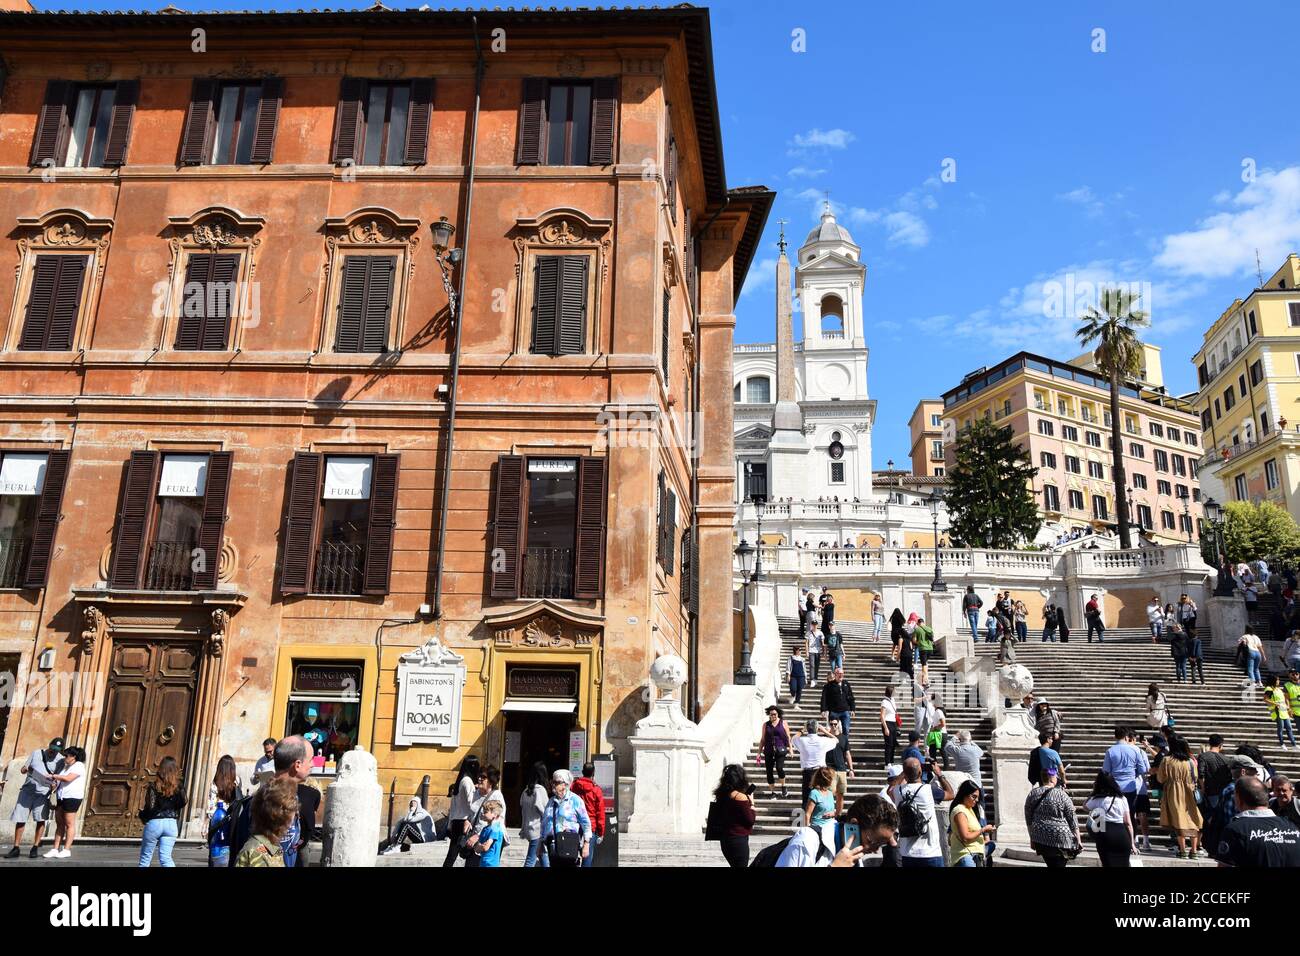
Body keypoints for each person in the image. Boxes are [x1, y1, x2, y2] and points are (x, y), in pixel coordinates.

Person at [228, 735, 319, 869]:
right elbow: (244, 851)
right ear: (297, 765)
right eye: (311, 759)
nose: (313, 764)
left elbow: (294, 846)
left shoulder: (296, 797)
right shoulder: (263, 801)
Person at [772, 794, 899, 868]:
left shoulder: (854, 857)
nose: (876, 850)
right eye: (873, 842)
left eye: (881, 844)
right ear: (854, 825)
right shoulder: (806, 843)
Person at [1214, 775, 1300, 867]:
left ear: (1238, 798)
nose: (1281, 793)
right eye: (1278, 790)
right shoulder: (1293, 828)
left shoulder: (1235, 830)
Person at [889, 756, 953, 867]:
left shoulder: (898, 791)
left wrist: (905, 772)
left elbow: (890, 788)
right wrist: (939, 774)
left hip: (908, 854)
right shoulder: (929, 790)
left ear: (904, 772)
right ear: (920, 771)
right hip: (930, 853)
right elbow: (950, 794)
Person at [5, 737, 63, 859]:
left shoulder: (60, 760)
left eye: (56, 750)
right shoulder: (36, 753)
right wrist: (25, 769)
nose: (53, 752)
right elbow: (23, 769)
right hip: (27, 790)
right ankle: (16, 847)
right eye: (52, 749)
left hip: (43, 794)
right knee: (20, 819)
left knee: (40, 820)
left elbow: (57, 779)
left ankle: (35, 847)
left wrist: (53, 784)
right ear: (49, 745)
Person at [234, 776, 299, 867]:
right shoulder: (256, 854)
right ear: (281, 818)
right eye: (294, 814)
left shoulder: (271, 847)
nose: (294, 819)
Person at [1025, 766, 1081, 867]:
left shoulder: (1033, 794)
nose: (1057, 778)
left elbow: (1028, 819)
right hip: (1060, 839)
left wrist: (1032, 838)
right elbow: (1072, 818)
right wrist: (1078, 839)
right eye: (1056, 776)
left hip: (1040, 836)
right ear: (1051, 778)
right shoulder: (1062, 795)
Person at [1157, 735, 1203, 858]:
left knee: (1179, 820)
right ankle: (1193, 851)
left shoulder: (1167, 760)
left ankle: (1182, 850)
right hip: (1190, 792)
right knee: (1193, 819)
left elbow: (1160, 779)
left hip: (1173, 793)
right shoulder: (1190, 761)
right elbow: (1196, 778)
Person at [137, 755, 186, 867]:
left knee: (145, 860)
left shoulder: (154, 786)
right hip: (171, 824)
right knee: (166, 859)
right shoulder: (178, 786)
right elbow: (184, 801)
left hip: (155, 822)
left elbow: (151, 807)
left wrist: (143, 816)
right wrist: (174, 807)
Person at [1101, 725, 1149, 838]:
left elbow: (1106, 771)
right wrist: (1133, 775)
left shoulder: (1110, 751)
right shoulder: (1135, 750)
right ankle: (1131, 839)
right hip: (1131, 786)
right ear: (1127, 737)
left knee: (1114, 812)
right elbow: (1142, 770)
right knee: (1131, 813)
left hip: (1115, 787)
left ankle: (1116, 837)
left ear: (1115, 736)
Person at [539, 769, 592, 868]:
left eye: (557, 782)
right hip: (553, 846)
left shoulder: (575, 800)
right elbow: (544, 822)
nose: (553, 785)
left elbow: (586, 823)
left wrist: (586, 844)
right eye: (552, 782)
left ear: (566, 784)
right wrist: (541, 842)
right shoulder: (551, 801)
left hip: (569, 844)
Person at [708, 763, 755, 868]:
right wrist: (751, 803)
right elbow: (750, 819)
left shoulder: (722, 794)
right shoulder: (740, 797)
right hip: (738, 840)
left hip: (725, 840)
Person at [1085, 771, 1134, 867]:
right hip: (1122, 835)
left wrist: (1093, 792)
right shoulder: (1122, 799)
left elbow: (1085, 807)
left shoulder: (1096, 799)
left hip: (1105, 835)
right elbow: (1128, 823)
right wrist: (1132, 843)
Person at [443, 753, 482, 868]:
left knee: (452, 855)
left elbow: (454, 806)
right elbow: (472, 803)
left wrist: (450, 823)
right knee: (468, 854)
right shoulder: (467, 782)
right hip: (464, 822)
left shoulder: (460, 781)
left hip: (457, 821)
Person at [205, 754, 242, 867]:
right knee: (229, 848)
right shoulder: (237, 780)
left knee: (215, 848)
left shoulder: (215, 781)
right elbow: (239, 800)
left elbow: (211, 805)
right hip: (232, 819)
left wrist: (207, 823)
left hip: (217, 819)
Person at [793, 719, 840, 807]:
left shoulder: (802, 740)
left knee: (807, 797)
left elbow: (793, 739)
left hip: (807, 772)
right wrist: (824, 731)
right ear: (817, 729)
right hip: (820, 772)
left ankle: (807, 816)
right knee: (821, 794)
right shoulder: (823, 740)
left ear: (807, 729)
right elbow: (836, 739)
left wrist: (802, 730)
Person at [949, 780, 994, 867]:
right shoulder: (959, 811)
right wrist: (983, 830)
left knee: (992, 845)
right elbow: (965, 837)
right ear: (964, 794)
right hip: (966, 856)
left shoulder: (969, 809)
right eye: (974, 797)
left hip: (974, 855)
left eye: (977, 797)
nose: (976, 800)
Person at [571, 762, 606, 867]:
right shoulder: (596, 790)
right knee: (587, 856)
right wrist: (601, 832)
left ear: (582, 772)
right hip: (591, 825)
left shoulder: (574, 786)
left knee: (572, 854)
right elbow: (600, 812)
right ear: (593, 773)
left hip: (575, 824)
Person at [518, 761, 550, 867]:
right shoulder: (540, 791)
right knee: (530, 860)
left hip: (528, 828)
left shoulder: (526, 790)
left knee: (543, 854)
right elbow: (546, 812)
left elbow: (522, 807)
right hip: (537, 830)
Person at [824, 718, 854, 815]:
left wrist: (851, 769)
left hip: (841, 769)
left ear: (838, 725)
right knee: (830, 794)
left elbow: (847, 754)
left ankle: (838, 815)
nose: (833, 726)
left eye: (835, 724)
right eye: (831, 724)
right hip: (830, 769)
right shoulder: (826, 738)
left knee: (840, 794)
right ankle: (830, 813)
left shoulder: (844, 738)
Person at [760, 705, 791, 798]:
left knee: (779, 768)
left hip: (780, 749)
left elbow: (788, 737)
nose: (773, 716)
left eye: (775, 714)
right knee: (769, 772)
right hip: (768, 750)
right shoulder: (766, 725)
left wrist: (791, 749)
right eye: (771, 714)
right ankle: (773, 792)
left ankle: (783, 786)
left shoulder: (783, 723)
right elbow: (762, 739)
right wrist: (758, 752)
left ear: (778, 714)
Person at [819, 667, 855, 737]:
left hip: (845, 710)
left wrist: (852, 709)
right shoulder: (828, 685)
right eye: (839, 673)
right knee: (833, 730)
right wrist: (823, 709)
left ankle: (845, 745)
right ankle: (834, 744)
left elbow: (851, 697)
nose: (841, 675)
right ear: (835, 675)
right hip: (834, 711)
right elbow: (824, 698)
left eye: (842, 673)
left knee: (846, 729)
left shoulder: (846, 684)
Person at [1266, 676, 1296, 749]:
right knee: (1281, 728)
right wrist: (1276, 704)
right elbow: (1265, 699)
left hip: (1284, 711)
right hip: (1277, 711)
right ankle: (1282, 744)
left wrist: (1288, 709)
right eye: (1277, 680)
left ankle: (1294, 744)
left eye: (1278, 680)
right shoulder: (1269, 689)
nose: (1278, 681)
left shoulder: (1279, 689)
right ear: (1273, 681)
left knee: (1289, 728)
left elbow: (1284, 699)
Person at [805, 767, 837, 833]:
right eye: (832, 778)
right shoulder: (814, 793)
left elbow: (832, 810)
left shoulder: (830, 793)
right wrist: (807, 830)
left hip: (831, 826)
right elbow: (808, 814)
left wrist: (833, 814)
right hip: (818, 828)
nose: (833, 780)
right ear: (827, 779)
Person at [880, 685, 900, 768]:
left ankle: (891, 761)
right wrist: (886, 728)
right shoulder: (884, 701)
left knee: (893, 743)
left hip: (893, 723)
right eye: (894, 691)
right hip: (887, 723)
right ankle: (887, 762)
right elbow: (882, 716)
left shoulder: (893, 700)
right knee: (889, 744)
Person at [914, 615, 935, 687]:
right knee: (925, 664)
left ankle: (926, 681)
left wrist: (919, 642)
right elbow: (932, 638)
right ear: (923, 622)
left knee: (924, 665)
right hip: (930, 649)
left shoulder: (917, 629)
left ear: (918, 623)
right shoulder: (929, 628)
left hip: (923, 648)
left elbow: (914, 640)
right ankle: (924, 679)